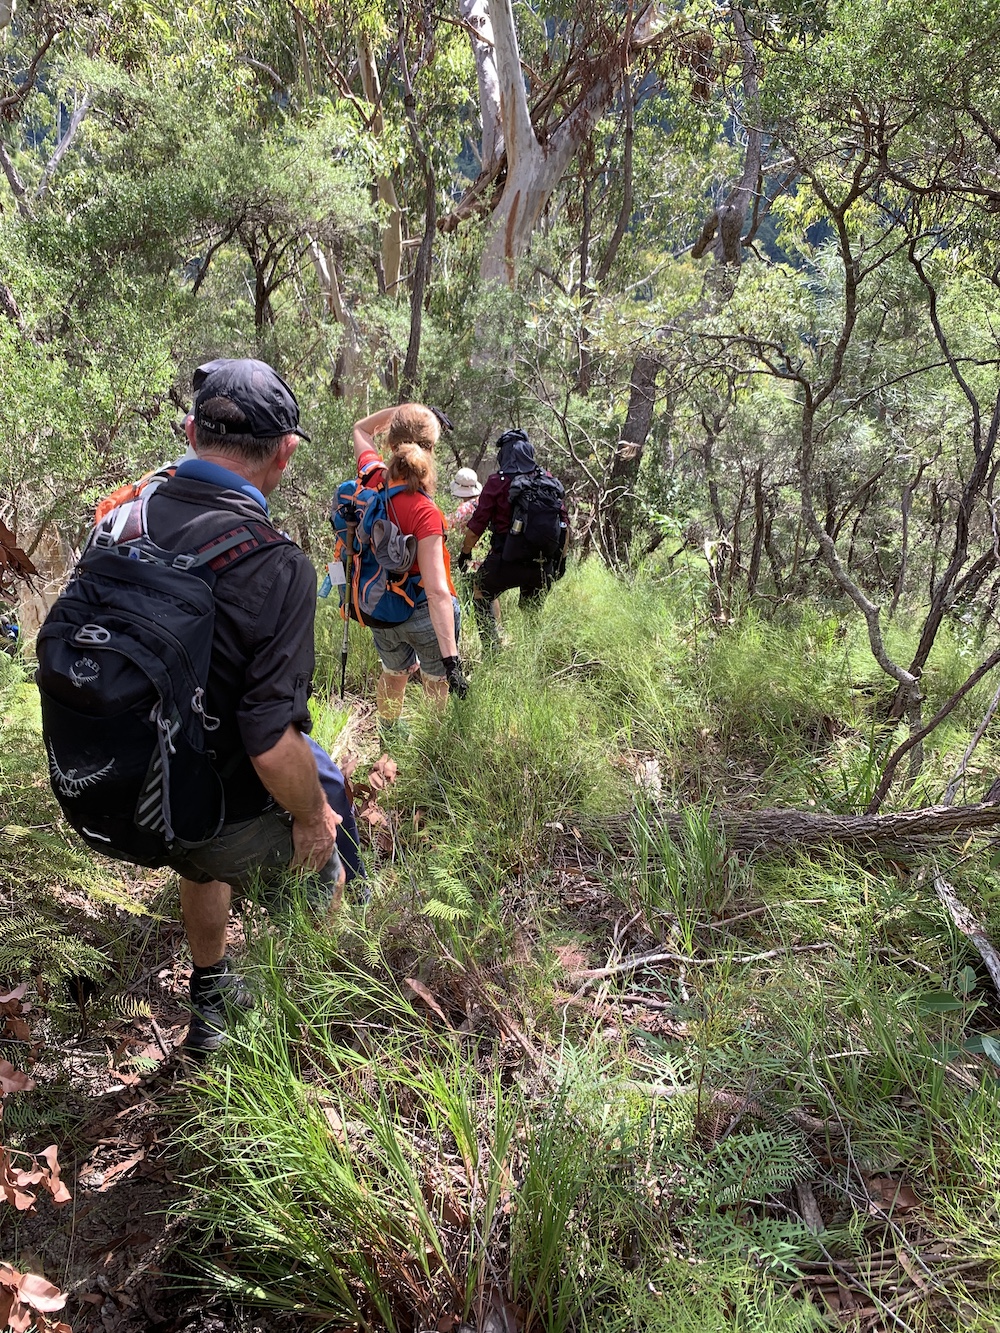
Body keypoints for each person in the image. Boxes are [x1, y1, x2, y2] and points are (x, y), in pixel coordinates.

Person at [104, 359, 361, 1054]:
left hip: (116, 784)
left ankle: (212, 995)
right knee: (329, 844)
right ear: (286, 452)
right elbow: (267, 740)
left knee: (204, 843)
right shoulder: (275, 564)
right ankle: (301, 1033)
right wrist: (311, 821)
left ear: (191, 432)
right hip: (199, 796)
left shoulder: (123, 515)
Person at [351, 404, 469, 736]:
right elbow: (437, 591)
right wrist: (452, 660)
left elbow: (360, 428)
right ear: (431, 448)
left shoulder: (372, 478)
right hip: (422, 614)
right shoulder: (424, 511)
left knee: (393, 672)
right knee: (436, 681)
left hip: (380, 608)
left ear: (389, 443)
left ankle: (390, 737)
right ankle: (431, 748)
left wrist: (402, 411)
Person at [457, 429, 569, 646]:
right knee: (532, 611)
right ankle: (532, 654)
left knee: (480, 591)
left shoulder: (497, 481)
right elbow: (564, 524)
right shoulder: (547, 480)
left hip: (505, 560)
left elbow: (477, 524)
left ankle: (492, 651)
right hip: (542, 562)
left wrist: (465, 553)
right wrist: (561, 561)